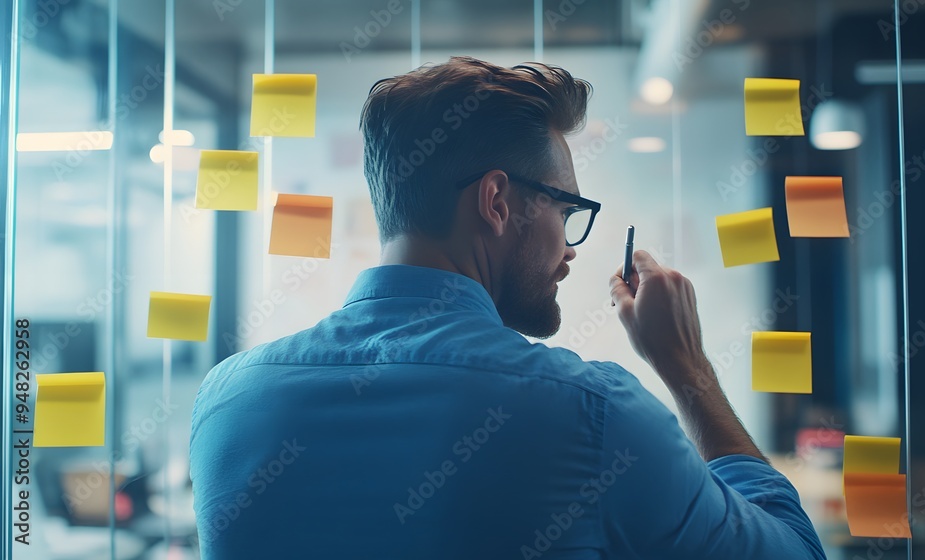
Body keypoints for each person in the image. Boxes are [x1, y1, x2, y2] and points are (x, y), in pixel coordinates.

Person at [189, 56, 826, 559]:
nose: (569, 249)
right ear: (496, 201)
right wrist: (687, 368)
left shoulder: (225, 402)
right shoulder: (594, 414)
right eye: (566, 210)